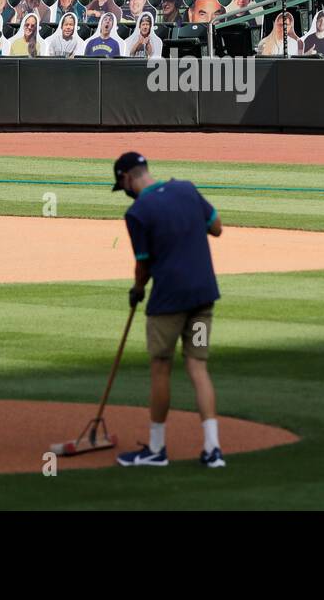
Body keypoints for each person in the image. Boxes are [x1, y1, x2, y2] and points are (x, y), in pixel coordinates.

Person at [113, 152, 226, 469]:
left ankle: (156, 449)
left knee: (161, 366)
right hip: (203, 298)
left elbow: (143, 263)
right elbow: (216, 227)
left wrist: (137, 289)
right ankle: (213, 449)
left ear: (127, 179)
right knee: (198, 368)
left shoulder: (137, 212)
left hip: (168, 304)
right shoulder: (187, 190)